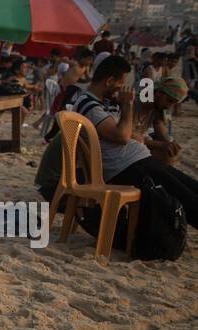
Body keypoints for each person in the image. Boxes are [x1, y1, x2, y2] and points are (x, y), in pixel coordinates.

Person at [66, 55, 198, 228]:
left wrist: (130, 132)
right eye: (121, 83)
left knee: (191, 187)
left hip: (137, 161)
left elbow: (130, 133)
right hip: (127, 167)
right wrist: (128, 105)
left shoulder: (102, 103)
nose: (122, 88)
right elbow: (122, 136)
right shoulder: (89, 105)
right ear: (110, 81)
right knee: (187, 198)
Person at [133, 76, 186, 162]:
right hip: (127, 147)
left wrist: (169, 143)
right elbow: (129, 136)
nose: (169, 106)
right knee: (166, 156)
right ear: (158, 93)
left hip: (140, 141)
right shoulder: (136, 103)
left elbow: (162, 134)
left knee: (172, 153)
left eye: (174, 103)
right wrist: (161, 145)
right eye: (169, 101)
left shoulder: (158, 107)